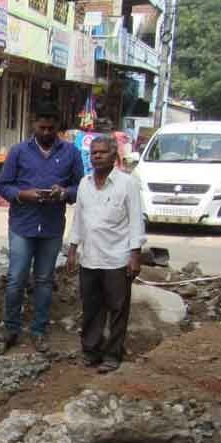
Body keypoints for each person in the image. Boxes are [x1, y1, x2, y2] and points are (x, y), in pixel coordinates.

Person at [0, 101, 84, 353]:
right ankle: (11, 328)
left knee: (44, 280)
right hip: (22, 225)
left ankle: (39, 330)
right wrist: (24, 195)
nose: (45, 133)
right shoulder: (18, 152)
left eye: (50, 128)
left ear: (58, 127)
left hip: (52, 227)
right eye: (41, 127)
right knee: (16, 279)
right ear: (34, 124)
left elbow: (82, 188)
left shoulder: (71, 153)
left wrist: (64, 192)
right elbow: (2, 185)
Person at [66, 135, 145, 373]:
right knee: (91, 308)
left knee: (118, 309)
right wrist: (72, 248)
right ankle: (90, 351)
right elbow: (79, 218)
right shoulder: (84, 183)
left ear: (115, 157)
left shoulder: (127, 183)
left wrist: (135, 254)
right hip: (90, 257)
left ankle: (113, 355)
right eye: (93, 153)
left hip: (117, 258)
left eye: (102, 153)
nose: (97, 156)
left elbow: (135, 221)